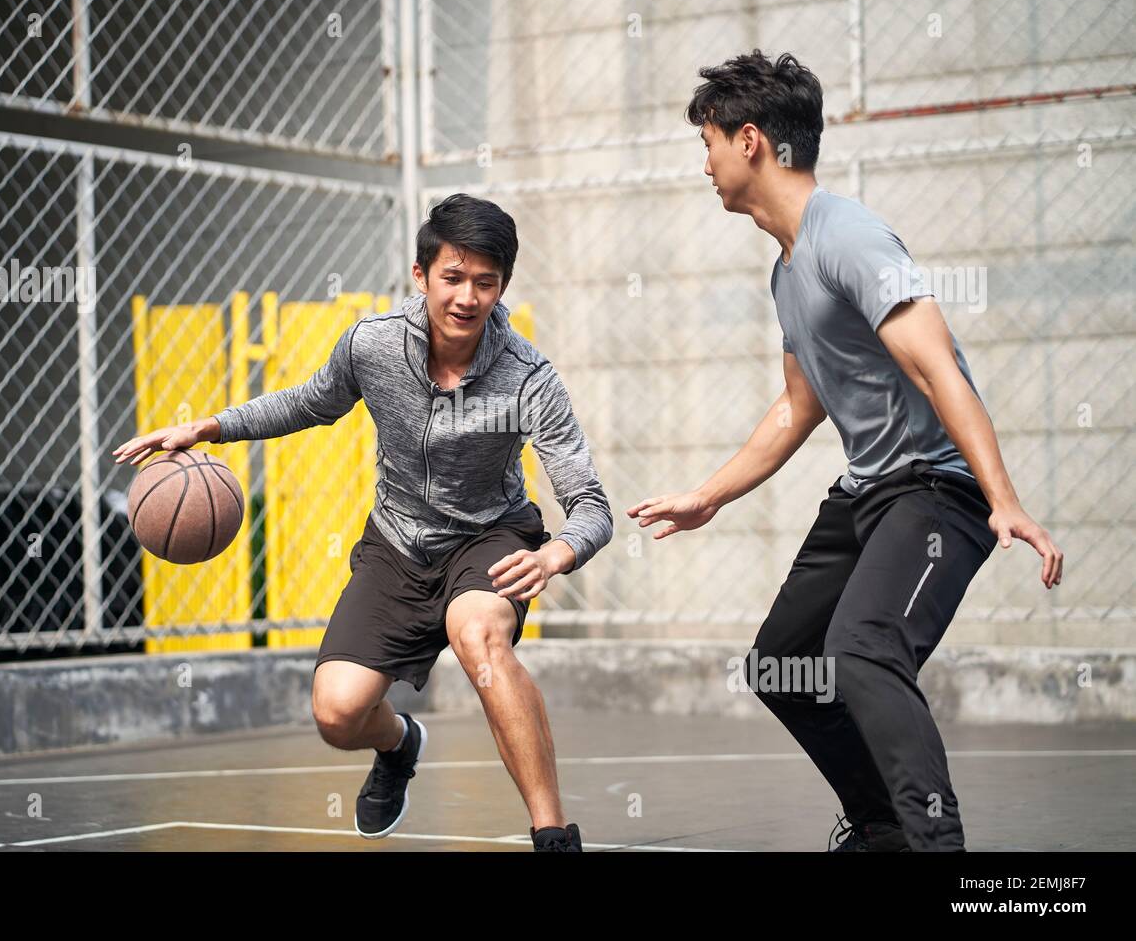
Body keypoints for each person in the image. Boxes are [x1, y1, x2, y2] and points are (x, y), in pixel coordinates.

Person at [628, 50, 1063, 851]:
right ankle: (883, 829)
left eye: (710, 144)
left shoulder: (849, 236)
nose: (707, 164)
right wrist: (709, 495)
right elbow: (799, 407)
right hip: (869, 492)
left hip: (938, 490)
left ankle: (939, 846)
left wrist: (1001, 497)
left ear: (750, 140)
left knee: (862, 652)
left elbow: (938, 368)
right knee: (781, 664)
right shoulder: (788, 271)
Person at [113, 193, 612, 852]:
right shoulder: (372, 345)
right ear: (421, 274)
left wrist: (557, 555)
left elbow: (591, 507)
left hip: (490, 538)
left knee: (479, 635)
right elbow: (308, 403)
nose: (466, 297)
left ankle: (553, 834)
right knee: (338, 713)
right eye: (452, 278)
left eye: (484, 283)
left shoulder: (529, 380)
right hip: (398, 545)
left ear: (502, 287)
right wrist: (209, 427)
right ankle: (400, 744)